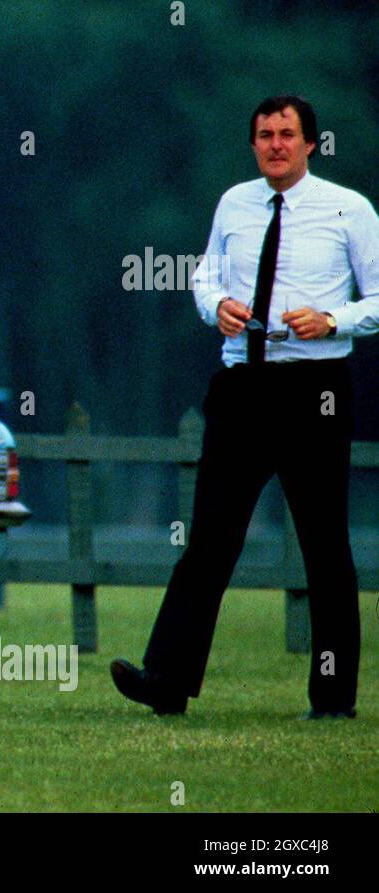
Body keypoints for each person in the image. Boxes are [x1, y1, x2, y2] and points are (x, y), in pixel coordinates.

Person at [111, 95, 379, 719]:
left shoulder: (349, 210)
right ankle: (166, 680)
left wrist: (332, 318)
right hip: (242, 387)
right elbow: (206, 276)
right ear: (253, 143)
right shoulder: (234, 203)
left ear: (312, 144)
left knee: (323, 545)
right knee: (209, 540)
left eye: (288, 135)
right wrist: (216, 307)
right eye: (265, 135)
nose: (276, 145)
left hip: (314, 388)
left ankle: (333, 697)